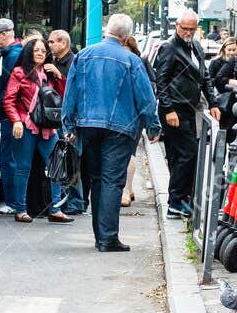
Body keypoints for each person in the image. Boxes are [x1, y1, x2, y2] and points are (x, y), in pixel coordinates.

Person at [61, 13, 161, 252]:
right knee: (111, 182)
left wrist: (68, 125)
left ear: (107, 30)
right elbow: (145, 97)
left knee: (96, 179)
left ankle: (101, 236)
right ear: (126, 36)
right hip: (120, 127)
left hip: (87, 124)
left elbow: (70, 92)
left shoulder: (83, 55)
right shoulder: (131, 60)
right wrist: (153, 125)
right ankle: (107, 238)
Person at [152, 9, 221, 219]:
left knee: (180, 155)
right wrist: (169, 109)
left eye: (192, 29)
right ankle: (177, 201)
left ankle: (180, 200)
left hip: (189, 109)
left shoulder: (196, 46)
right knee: (187, 154)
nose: (188, 32)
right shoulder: (169, 48)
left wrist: (213, 102)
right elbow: (161, 81)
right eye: (185, 28)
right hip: (175, 109)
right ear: (177, 26)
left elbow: (205, 77)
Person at [2, 36, 73, 225]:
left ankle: (55, 209)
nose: (41, 53)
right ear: (29, 53)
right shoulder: (19, 72)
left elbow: (62, 97)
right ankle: (20, 209)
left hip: (48, 128)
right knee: (23, 168)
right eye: (37, 50)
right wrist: (16, 121)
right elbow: (9, 100)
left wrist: (58, 76)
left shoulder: (49, 73)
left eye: (43, 51)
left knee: (57, 166)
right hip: (25, 126)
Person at [0, 17, 24, 214]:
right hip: (7, 114)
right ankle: (13, 202)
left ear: (5, 34)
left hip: (10, 115)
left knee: (9, 159)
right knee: (8, 158)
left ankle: (13, 203)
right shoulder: (2, 53)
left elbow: (9, 90)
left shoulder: (13, 55)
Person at [47, 29, 84, 214]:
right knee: (62, 160)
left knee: (71, 161)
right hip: (57, 118)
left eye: (53, 42)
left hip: (70, 119)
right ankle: (65, 200)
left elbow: (74, 91)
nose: (50, 45)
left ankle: (76, 203)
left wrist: (59, 76)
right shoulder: (55, 61)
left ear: (64, 43)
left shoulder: (75, 61)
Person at [120, 32, 151, 206]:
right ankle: (128, 189)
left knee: (130, 152)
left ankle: (125, 190)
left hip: (135, 114)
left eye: (127, 50)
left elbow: (150, 88)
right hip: (120, 114)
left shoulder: (140, 63)